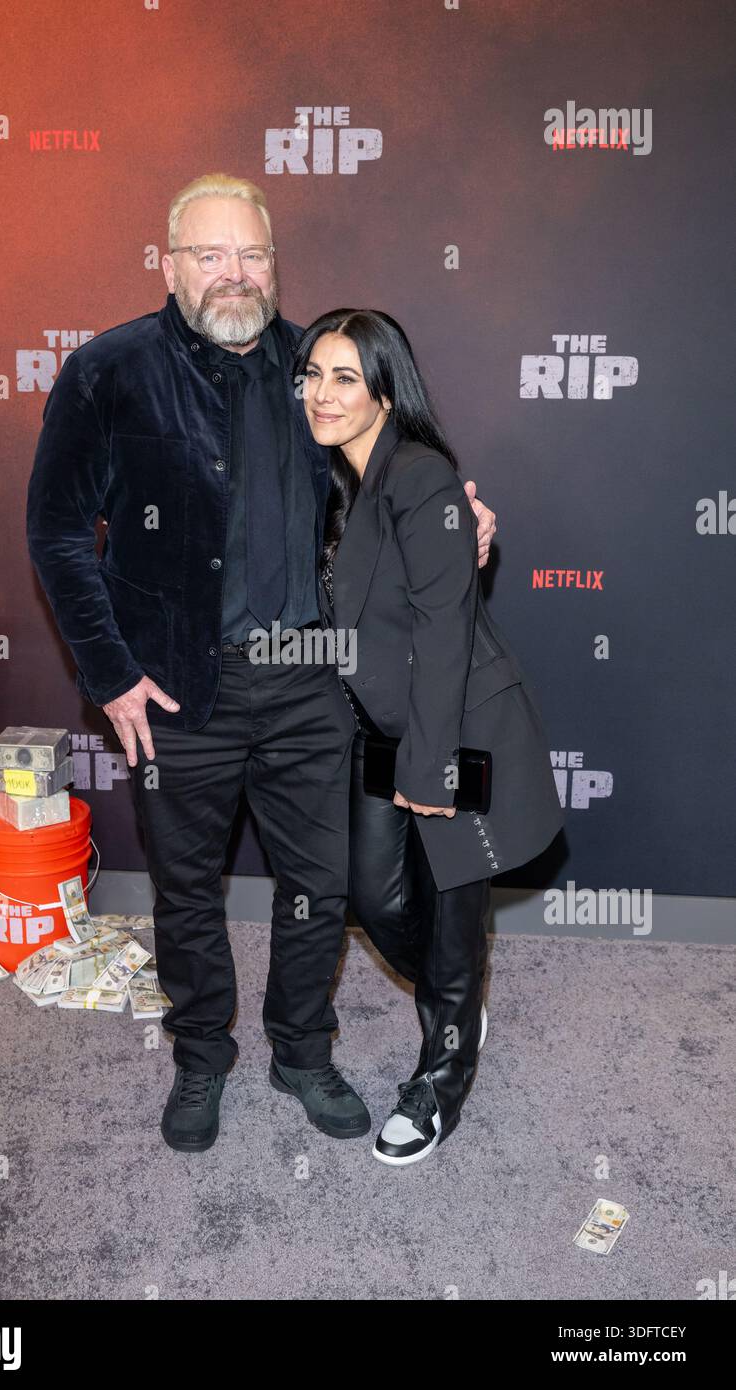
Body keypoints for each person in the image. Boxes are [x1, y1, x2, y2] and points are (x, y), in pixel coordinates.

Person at [26, 173, 497, 1154]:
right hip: (172, 686)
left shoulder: (319, 371)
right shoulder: (107, 371)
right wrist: (108, 672)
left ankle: (301, 1051)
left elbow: (394, 484)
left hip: (308, 680)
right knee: (184, 890)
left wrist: (455, 519)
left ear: (274, 267)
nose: (232, 273)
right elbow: (60, 534)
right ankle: (200, 1057)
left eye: (250, 254)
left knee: (318, 886)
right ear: (169, 263)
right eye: (209, 253)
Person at [296, 309, 563, 1165]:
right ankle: (461, 998)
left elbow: (446, 629)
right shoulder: (337, 484)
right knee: (374, 896)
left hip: (456, 730)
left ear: (384, 388)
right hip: (381, 730)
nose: (323, 394)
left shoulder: (419, 476)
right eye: (312, 375)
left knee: (453, 909)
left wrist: (432, 765)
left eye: (345, 377)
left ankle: (441, 1077)